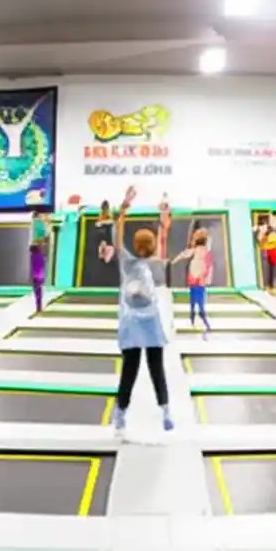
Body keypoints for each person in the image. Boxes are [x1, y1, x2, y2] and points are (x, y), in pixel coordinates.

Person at [111, 185, 172, 435]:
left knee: (130, 370)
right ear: (152, 245)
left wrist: (124, 208)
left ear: (136, 245)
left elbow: (116, 236)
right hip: (149, 322)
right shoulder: (154, 264)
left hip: (132, 322)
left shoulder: (127, 261)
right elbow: (163, 242)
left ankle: (121, 414)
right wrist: (164, 222)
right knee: (156, 367)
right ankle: (166, 410)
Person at [172, 226, 213, 336]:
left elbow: (184, 254)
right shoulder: (200, 250)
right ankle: (196, 315)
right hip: (196, 272)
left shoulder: (204, 250)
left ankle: (199, 314)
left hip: (199, 273)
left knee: (197, 294)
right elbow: (184, 254)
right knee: (195, 294)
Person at [254, 213, 276, 293]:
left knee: (273, 269)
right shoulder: (263, 228)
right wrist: (261, 230)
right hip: (267, 249)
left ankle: (272, 287)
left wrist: (274, 223)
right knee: (267, 268)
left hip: (273, 249)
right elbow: (259, 238)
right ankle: (267, 286)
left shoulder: (273, 229)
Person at [29, 209, 51, 313]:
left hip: (37, 250)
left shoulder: (39, 224)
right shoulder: (39, 224)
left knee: (37, 280)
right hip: (37, 250)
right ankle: (38, 304)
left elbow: (43, 238)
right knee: (37, 280)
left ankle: (39, 304)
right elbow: (44, 237)